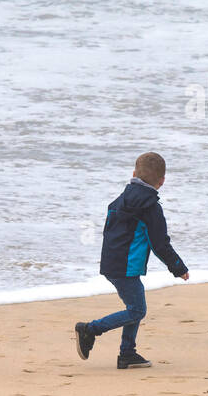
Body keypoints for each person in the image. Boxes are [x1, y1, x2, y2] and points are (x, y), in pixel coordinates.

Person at [75, 152, 189, 369]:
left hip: (111, 262)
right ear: (162, 181)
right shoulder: (151, 208)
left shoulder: (121, 199)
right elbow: (160, 244)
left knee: (134, 305)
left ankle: (127, 353)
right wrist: (178, 267)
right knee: (137, 310)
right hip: (125, 266)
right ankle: (89, 329)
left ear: (134, 173)